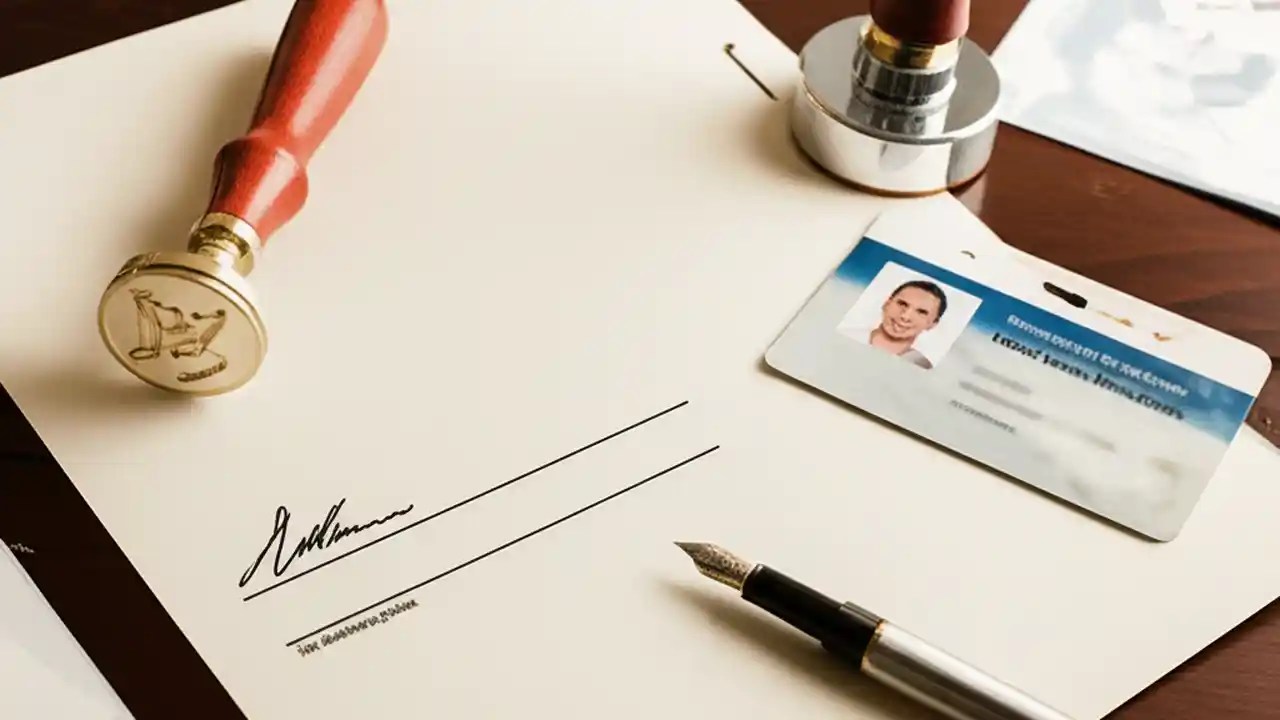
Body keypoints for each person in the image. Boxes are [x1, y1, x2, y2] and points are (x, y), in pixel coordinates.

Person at [850, 279, 947, 369]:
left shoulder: (923, 368)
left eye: (921, 312)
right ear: (886, 304)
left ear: (933, 323)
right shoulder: (848, 335)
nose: (905, 317)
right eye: (902, 304)